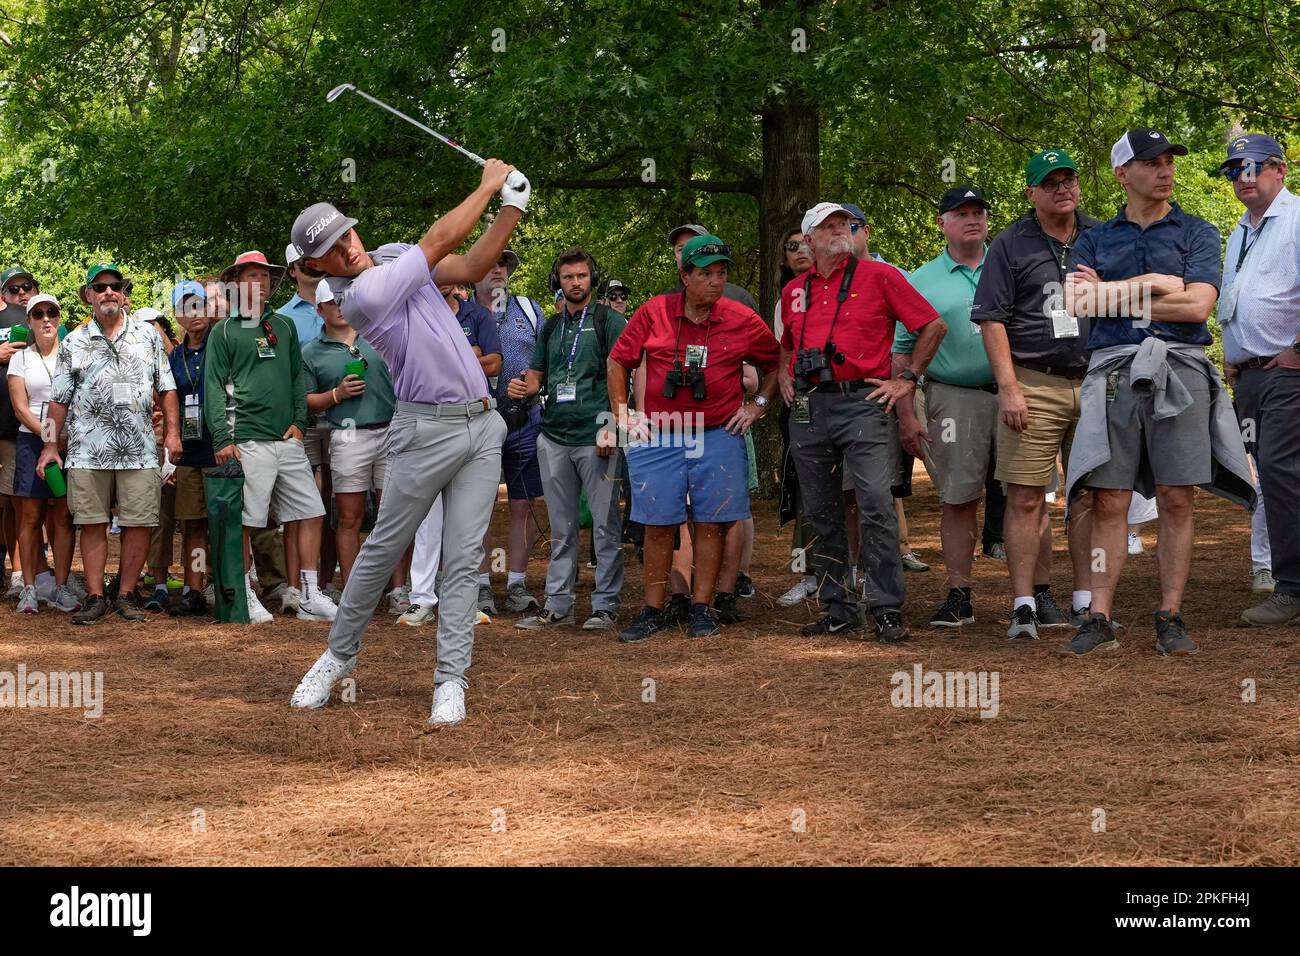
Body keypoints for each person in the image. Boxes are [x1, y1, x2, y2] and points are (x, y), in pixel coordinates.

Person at [289, 158, 529, 725]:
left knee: (465, 559)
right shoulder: (361, 296)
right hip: (423, 430)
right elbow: (442, 237)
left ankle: (451, 680)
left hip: (481, 424)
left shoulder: (395, 255)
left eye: (345, 233)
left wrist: (512, 209)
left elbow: (469, 265)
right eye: (330, 248)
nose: (346, 247)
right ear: (313, 265)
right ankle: (337, 656)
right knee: (380, 550)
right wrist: (489, 185)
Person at [1063, 128, 1254, 656]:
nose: (1165, 170)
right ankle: (1098, 618)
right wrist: (1155, 280)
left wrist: (1111, 296)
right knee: (1108, 498)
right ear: (1123, 173)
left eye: (1169, 160)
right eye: (1152, 162)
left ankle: (1170, 615)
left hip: (1182, 369)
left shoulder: (1199, 231)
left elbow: (1197, 308)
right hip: (1112, 376)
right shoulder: (1095, 238)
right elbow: (1075, 306)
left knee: (1175, 496)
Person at [779, 203, 944, 642]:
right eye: (827, 226)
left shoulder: (881, 276)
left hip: (863, 402)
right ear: (808, 240)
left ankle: (887, 608)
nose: (839, 231)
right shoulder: (795, 290)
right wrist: (782, 371)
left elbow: (933, 326)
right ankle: (839, 607)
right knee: (820, 510)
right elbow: (787, 343)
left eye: (843, 224)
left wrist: (907, 379)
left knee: (874, 504)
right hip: (810, 406)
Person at [609, 233, 780, 642]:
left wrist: (757, 405)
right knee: (656, 525)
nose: (716, 282)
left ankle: (703, 608)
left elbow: (777, 361)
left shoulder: (740, 318)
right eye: (706, 274)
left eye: (721, 273)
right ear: (684, 275)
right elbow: (619, 360)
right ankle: (653, 609)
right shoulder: (654, 312)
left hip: (718, 431)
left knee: (711, 522)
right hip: (659, 434)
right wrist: (621, 412)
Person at [971, 148, 1101, 638]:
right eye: (1051, 182)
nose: (1063, 188)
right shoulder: (1009, 243)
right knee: (1026, 498)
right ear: (1031, 192)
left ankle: (1087, 600)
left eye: (1069, 179)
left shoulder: (1100, 235)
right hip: (1033, 382)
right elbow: (991, 318)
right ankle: (1023, 603)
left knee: (1090, 495)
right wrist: (1008, 387)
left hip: (1093, 380)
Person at [39, 263, 181, 623]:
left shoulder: (148, 336)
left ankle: (127, 593)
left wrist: (174, 434)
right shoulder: (73, 341)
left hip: (139, 447)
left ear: (123, 293)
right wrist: (50, 446)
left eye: (115, 286)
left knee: (139, 522)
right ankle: (95, 595)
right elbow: (57, 401)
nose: (108, 293)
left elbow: (167, 389)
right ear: (88, 295)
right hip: (88, 448)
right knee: (91, 522)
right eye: (100, 287)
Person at [204, 250, 337, 624]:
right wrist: (220, 438)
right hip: (245, 438)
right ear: (235, 284)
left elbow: (297, 377)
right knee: (248, 521)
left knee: (311, 512)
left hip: (287, 440)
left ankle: (309, 592)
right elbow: (213, 386)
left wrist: (299, 422)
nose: (259, 283)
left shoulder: (285, 325)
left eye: (264, 277)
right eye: (250, 276)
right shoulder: (224, 330)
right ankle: (243, 592)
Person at [894, 186, 1000, 629]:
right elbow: (901, 352)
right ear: (942, 223)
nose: (972, 219)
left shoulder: (1010, 265)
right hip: (953, 395)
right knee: (958, 497)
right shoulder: (920, 280)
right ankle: (959, 595)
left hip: (1016, 390)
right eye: (961, 213)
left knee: (1026, 497)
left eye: (979, 212)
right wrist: (906, 416)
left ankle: (1035, 597)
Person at [507, 246, 626, 631]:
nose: (575, 283)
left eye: (581, 276)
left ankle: (605, 605)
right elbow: (539, 374)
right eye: (568, 276)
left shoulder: (609, 320)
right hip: (554, 434)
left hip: (596, 434)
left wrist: (613, 425)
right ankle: (558, 606)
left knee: (605, 525)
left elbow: (623, 375)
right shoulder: (551, 326)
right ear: (557, 281)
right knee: (561, 527)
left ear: (593, 278)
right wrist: (523, 386)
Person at [1212, 134, 1300, 626]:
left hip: (1285, 373)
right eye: (1233, 169)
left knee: (1284, 475)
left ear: (1279, 170)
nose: (1242, 176)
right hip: (1250, 377)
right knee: (1270, 477)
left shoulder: (1297, 218)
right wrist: (1233, 353)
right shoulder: (1242, 229)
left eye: (1253, 166)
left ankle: (1291, 587)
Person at [302, 280, 398, 589]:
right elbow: (305, 401)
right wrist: (336, 394)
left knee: (393, 516)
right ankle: (355, 589)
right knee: (348, 517)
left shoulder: (380, 334)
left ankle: (398, 589)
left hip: (391, 430)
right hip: (346, 436)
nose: (340, 307)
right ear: (319, 309)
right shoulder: (311, 352)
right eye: (332, 302)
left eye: (343, 300)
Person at [474, 249, 546, 617]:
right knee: (479, 508)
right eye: (490, 262)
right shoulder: (460, 312)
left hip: (525, 419)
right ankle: (482, 586)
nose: (497, 269)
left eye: (503, 263)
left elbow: (546, 361)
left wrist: (532, 385)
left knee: (523, 505)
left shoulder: (530, 309)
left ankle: (517, 583)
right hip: (478, 422)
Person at [6, 293, 79, 613]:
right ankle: (31, 587)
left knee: (63, 515)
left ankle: (62, 587)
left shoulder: (72, 355)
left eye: (51, 312)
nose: (46, 318)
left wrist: (62, 440)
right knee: (31, 515)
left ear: (59, 319)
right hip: (31, 441)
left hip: (70, 442)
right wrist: (49, 437)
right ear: (29, 322)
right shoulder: (20, 358)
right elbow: (20, 408)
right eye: (38, 314)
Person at [278, 244, 337, 603]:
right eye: (304, 263)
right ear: (292, 271)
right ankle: (295, 586)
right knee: (300, 504)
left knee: (337, 505)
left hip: (348, 420)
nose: (312, 266)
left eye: (316, 259)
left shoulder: (349, 304)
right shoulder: (282, 319)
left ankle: (326, 582)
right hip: (303, 423)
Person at [0, 265, 57, 601]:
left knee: (29, 503)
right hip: (15, 427)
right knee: (14, 504)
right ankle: (21, 571)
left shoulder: (34, 319)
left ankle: (33, 570)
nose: (22, 293)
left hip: (22, 426)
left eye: (27, 286)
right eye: (14, 288)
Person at [166, 280, 214, 616]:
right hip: (189, 448)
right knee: (194, 523)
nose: (193, 313)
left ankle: (227, 586)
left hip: (223, 445)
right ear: (177, 316)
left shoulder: (223, 344)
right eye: (185, 308)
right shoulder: (174, 357)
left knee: (224, 521)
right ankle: (194, 590)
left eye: (198, 304)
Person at [665, 224, 759, 310]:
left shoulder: (739, 298)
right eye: (681, 249)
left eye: (695, 249)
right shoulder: (663, 305)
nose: (687, 255)